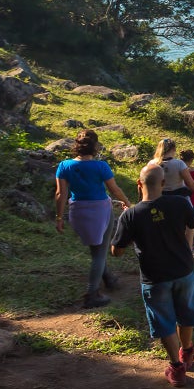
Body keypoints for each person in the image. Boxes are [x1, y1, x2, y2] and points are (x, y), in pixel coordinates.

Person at [112, 164, 194, 387]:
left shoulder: (130, 215)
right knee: (186, 313)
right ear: (163, 183)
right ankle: (187, 350)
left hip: (155, 277)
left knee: (164, 322)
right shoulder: (179, 203)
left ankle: (177, 368)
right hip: (183, 271)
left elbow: (117, 252)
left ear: (138, 184)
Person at [54, 129, 131, 308]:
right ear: (95, 146)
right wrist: (127, 202)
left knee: (96, 248)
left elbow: (60, 194)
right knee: (99, 253)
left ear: (76, 146)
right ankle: (92, 294)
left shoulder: (64, 166)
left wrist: (59, 217)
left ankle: (109, 279)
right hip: (100, 211)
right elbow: (114, 189)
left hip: (77, 211)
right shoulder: (101, 166)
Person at [145, 137, 194, 246]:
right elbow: (190, 183)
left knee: (161, 224)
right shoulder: (179, 164)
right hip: (180, 198)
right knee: (189, 225)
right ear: (173, 149)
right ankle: (188, 249)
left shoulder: (152, 164)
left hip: (159, 198)